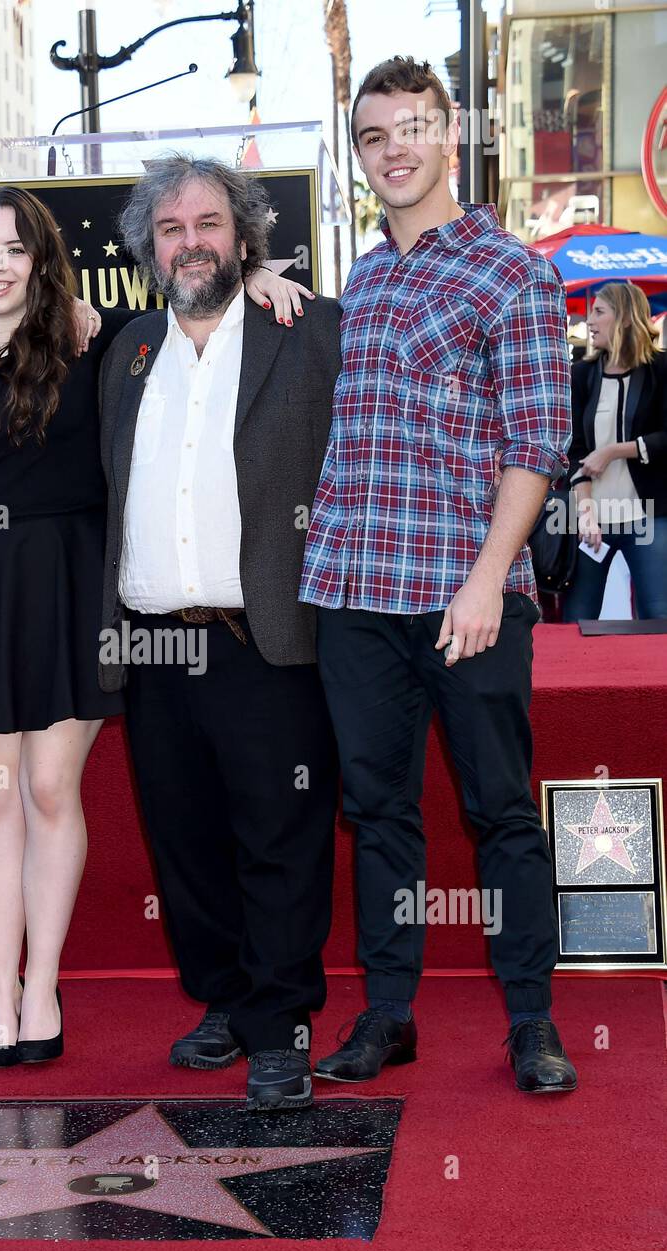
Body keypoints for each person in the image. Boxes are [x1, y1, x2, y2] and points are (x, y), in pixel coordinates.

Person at [0, 184, 311, 1070]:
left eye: (15, 248)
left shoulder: (92, 341)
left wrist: (259, 278)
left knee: (54, 793)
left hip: (77, 589)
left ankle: (45, 989)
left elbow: (203, 311)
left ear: (42, 258)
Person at [300, 56, 578, 1095]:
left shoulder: (512, 270)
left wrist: (484, 578)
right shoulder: (362, 280)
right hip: (354, 595)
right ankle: (386, 1014)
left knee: (500, 809)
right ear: (360, 156)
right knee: (375, 813)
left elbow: (535, 444)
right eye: (373, 137)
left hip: (468, 595)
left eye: (410, 128)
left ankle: (530, 1020)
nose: (393, 149)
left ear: (447, 134)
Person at [96, 154, 342, 1111]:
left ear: (242, 236)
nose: (189, 242)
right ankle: (226, 1000)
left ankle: (281, 1023)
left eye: (206, 224)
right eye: (170, 229)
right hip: (157, 642)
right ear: (147, 249)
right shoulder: (126, 354)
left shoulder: (305, 330)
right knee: (185, 840)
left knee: (281, 836)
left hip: (264, 636)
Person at [564, 281, 667, 620]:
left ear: (624, 317)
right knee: (578, 617)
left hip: (649, 516)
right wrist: (586, 514)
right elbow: (574, 449)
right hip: (594, 519)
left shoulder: (660, 371)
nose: (589, 320)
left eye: (598, 312)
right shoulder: (581, 375)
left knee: (658, 616)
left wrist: (613, 451)